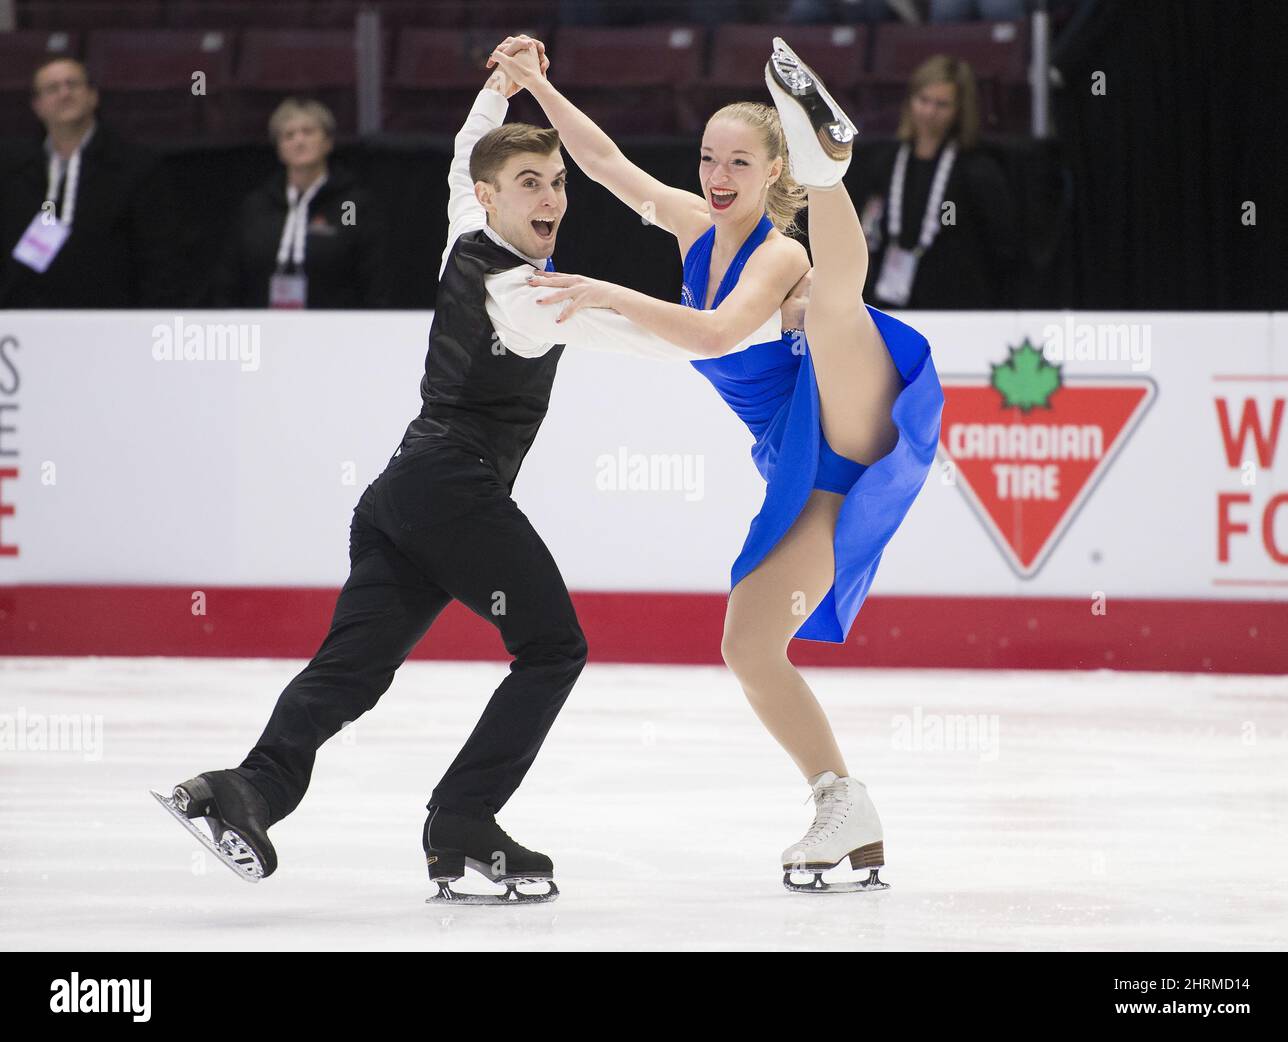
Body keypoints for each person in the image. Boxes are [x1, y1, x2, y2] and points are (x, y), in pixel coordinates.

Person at [153, 46, 785, 904]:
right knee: (555, 648)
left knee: (352, 671)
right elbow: (680, 340)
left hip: (402, 494)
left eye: (556, 182)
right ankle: (461, 818)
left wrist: (503, 81)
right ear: (496, 199)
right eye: (531, 183)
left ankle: (246, 790)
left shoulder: (464, 228)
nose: (553, 197)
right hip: (450, 487)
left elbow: (466, 150)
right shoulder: (529, 293)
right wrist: (753, 322)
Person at [489, 36, 943, 892]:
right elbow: (607, 164)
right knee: (749, 644)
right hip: (801, 465)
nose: (717, 174)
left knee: (838, 310)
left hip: (843, 409)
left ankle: (831, 165)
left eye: (739, 160)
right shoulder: (696, 228)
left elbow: (715, 333)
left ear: (775, 174)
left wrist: (607, 292)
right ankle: (844, 805)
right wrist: (538, 89)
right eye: (707, 157)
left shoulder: (779, 253)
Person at [0, 57, 178, 308]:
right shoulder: (12, 170)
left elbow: (159, 256)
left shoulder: (135, 167)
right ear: (37, 106)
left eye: (72, 84)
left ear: (93, 96)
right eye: (52, 88)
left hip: (110, 319)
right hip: (27, 321)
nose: (64, 93)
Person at [858, 55, 1018, 309]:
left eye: (942, 104)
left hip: (959, 305)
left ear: (959, 110)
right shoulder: (886, 162)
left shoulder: (977, 169)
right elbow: (870, 227)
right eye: (923, 100)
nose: (930, 112)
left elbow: (1004, 246)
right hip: (891, 300)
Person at [211, 98, 390, 309]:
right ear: (278, 148)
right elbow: (230, 277)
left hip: (336, 330)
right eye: (289, 135)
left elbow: (374, 278)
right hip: (264, 327)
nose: (299, 141)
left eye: (308, 132)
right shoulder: (257, 206)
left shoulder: (352, 205)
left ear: (328, 141)